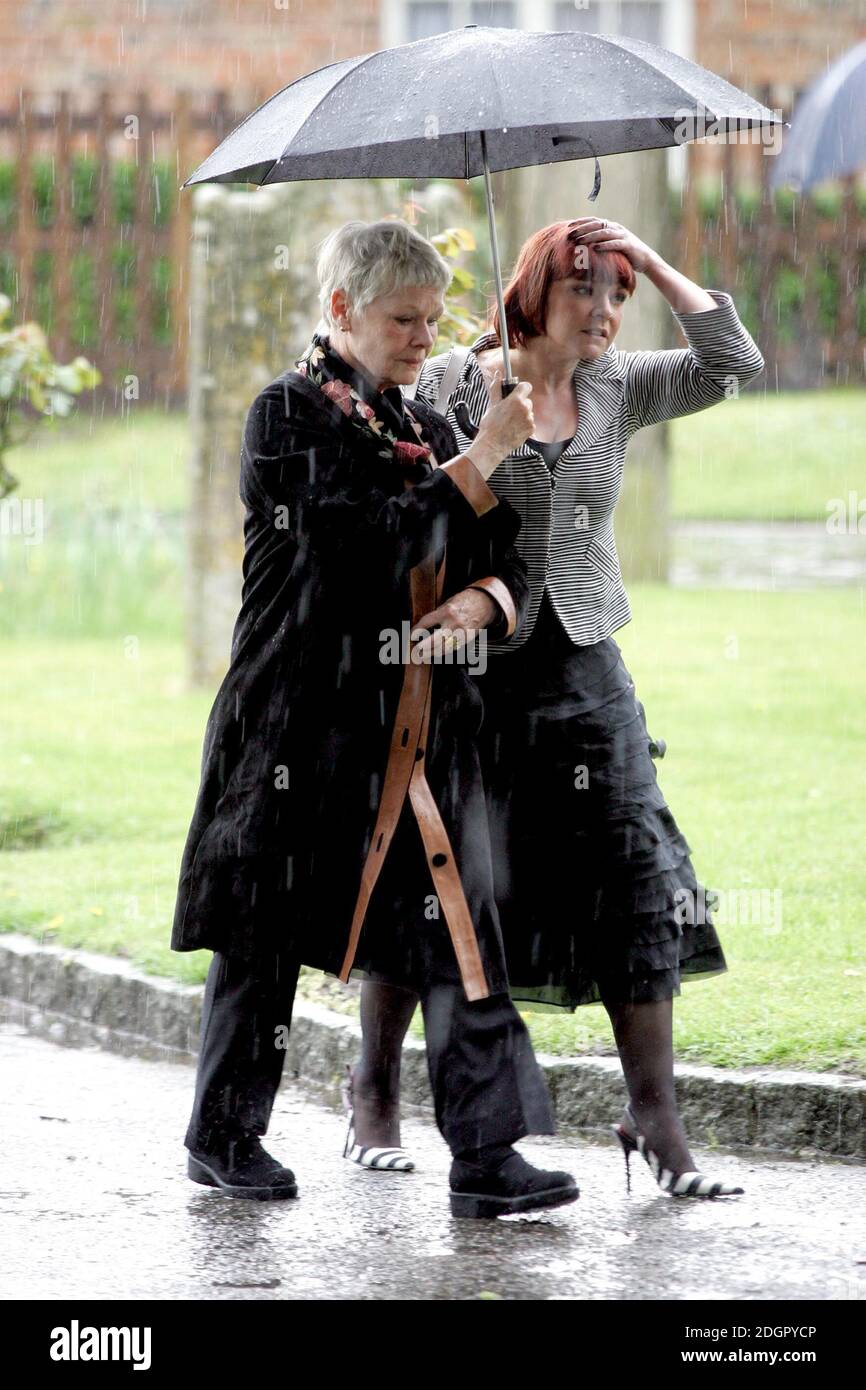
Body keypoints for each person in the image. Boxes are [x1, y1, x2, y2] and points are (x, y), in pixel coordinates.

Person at [170, 217, 579, 1218]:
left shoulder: (421, 421)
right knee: (260, 932)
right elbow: (367, 554)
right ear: (342, 306)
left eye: (432, 320)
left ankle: (485, 1156)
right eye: (402, 319)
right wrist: (483, 450)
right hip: (293, 725)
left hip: (413, 725)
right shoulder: (288, 415)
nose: (420, 338)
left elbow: (498, 547)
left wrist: (488, 599)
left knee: (455, 925)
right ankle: (223, 1134)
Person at [351, 216, 765, 1199]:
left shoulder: (617, 385)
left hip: (586, 666)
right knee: (443, 883)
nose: (607, 312)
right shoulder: (454, 380)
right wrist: (483, 437)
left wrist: (650, 261)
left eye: (619, 296)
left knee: (636, 870)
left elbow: (731, 363)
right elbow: (395, 495)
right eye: (588, 290)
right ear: (537, 288)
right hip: (472, 675)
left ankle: (654, 1120)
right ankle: (370, 1090)